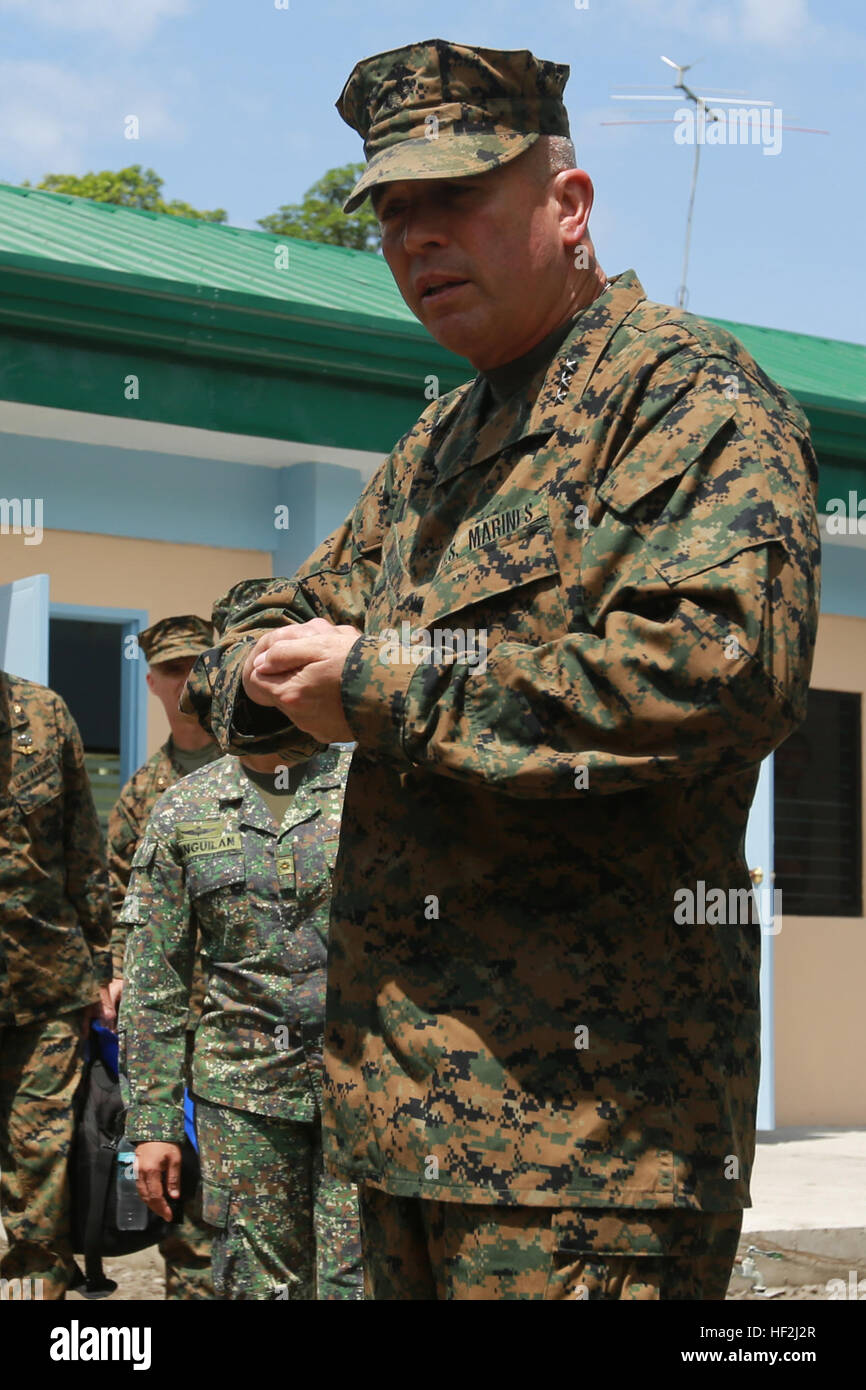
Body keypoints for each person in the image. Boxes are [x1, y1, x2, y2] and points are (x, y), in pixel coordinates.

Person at [181, 40, 821, 1300]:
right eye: (392, 214)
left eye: (456, 199)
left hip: (587, 1147)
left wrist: (375, 686)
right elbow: (273, 617)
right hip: (407, 1128)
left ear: (566, 206)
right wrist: (262, 683)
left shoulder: (682, 398)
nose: (416, 239)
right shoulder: (441, 440)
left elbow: (716, 673)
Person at [119, 593, 363, 1298]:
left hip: (364, 1092)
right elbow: (154, 980)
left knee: (358, 1285)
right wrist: (155, 1124)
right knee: (261, 1287)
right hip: (244, 1100)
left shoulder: (375, 789)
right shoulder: (182, 812)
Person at [106, 613, 223, 1300]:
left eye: (195, 667)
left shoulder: (267, 767)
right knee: (185, 1193)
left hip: (254, 1015)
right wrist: (115, 972)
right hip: (176, 1023)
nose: (184, 683)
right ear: (151, 681)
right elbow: (115, 897)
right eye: (172, 670)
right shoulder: (143, 796)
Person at [0, 669, 112, 1299]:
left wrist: (105, 966)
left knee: (42, 1160)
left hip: (47, 984)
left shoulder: (44, 715)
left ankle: (39, 1293)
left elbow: (82, 850)